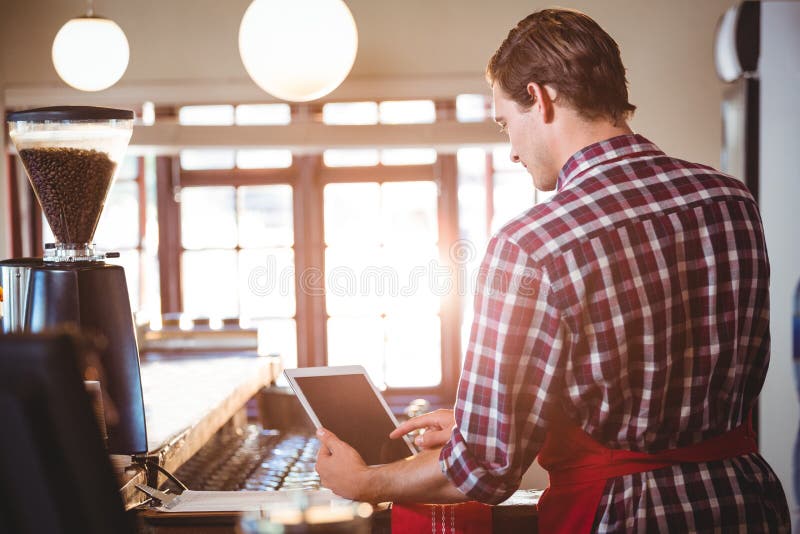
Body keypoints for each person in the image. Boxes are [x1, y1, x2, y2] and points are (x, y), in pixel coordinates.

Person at [314, 8, 790, 532]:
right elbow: (662, 388)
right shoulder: (730, 199)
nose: (512, 151)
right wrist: (484, 424)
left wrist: (366, 481)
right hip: (748, 502)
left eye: (504, 123)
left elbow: (485, 471)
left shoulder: (531, 245)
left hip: (625, 516)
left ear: (540, 99)